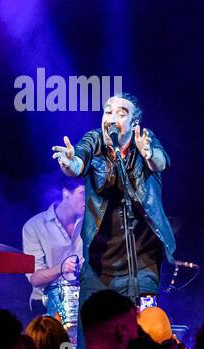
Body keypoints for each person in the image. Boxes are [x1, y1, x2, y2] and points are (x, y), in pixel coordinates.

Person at [50, 93, 175, 307]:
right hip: (99, 264)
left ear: (134, 122)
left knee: (142, 331)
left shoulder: (144, 139)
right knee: (93, 334)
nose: (111, 118)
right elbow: (79, 163)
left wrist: (148, 152)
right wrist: (70, 164)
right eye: (108, 112)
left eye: (120, 113)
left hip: (143, 260)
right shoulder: (94, 140)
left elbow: (160, 162)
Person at [22, 179, 85, 349]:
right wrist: (62, 268)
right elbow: (35, 278)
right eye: (82, 193)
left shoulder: (90, 222)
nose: (87, 200)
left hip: (83, 303)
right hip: (46, 306)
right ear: (66, 192)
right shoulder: (34, 226)